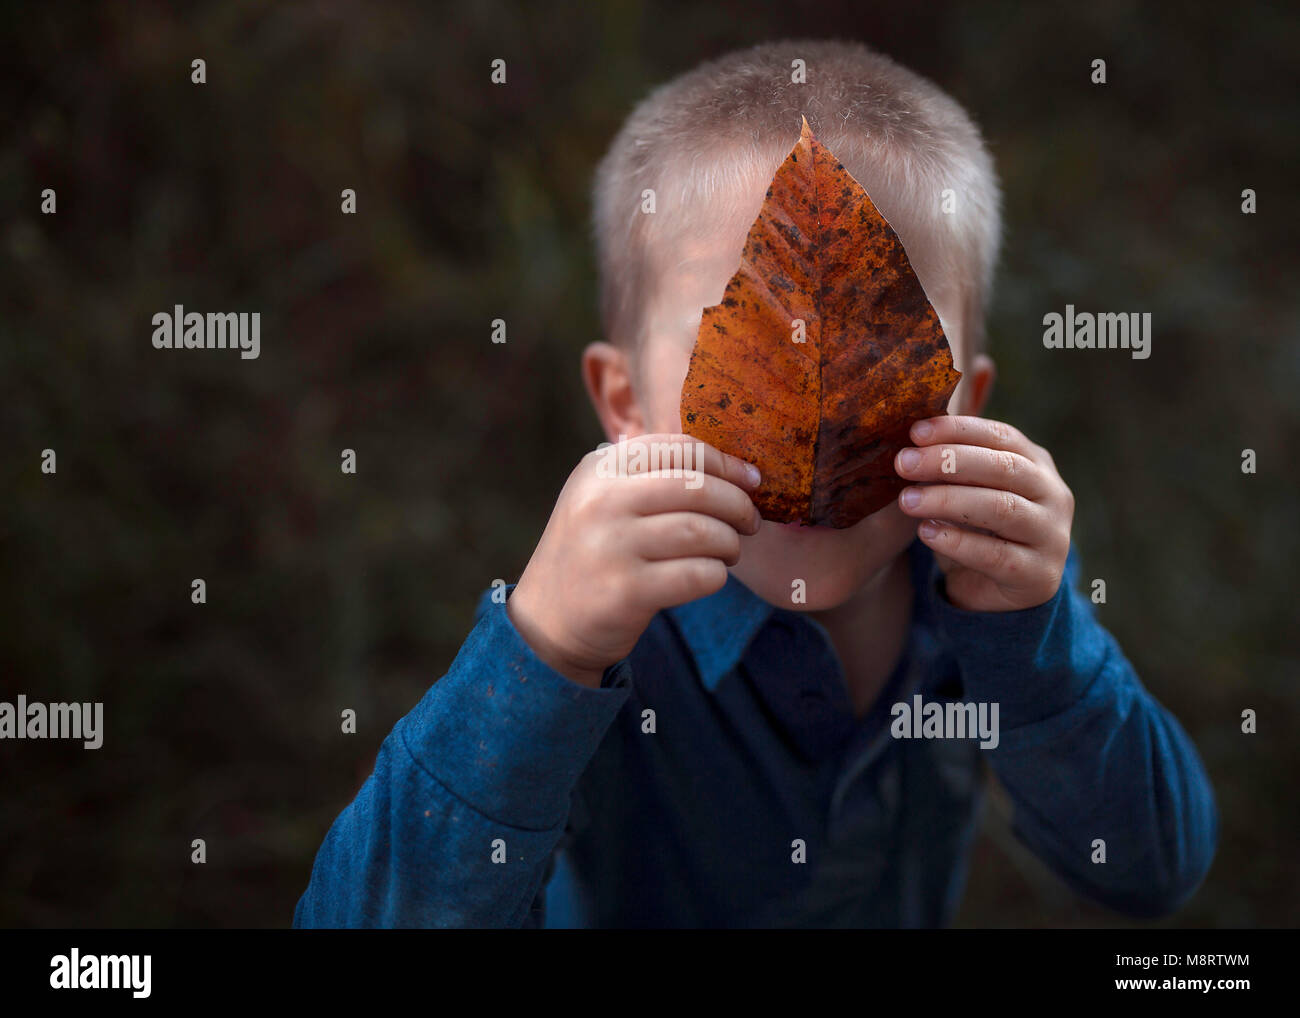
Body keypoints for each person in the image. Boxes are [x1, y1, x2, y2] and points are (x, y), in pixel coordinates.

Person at [293, 37, 1217, 928]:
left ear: (969, 404)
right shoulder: (597, 635)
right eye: (742, 352)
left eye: (887, 349)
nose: (818, 423)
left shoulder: (986, 580)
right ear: (626, 408)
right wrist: (545, 659)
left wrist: (1032, 638)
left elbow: (1149, 872)